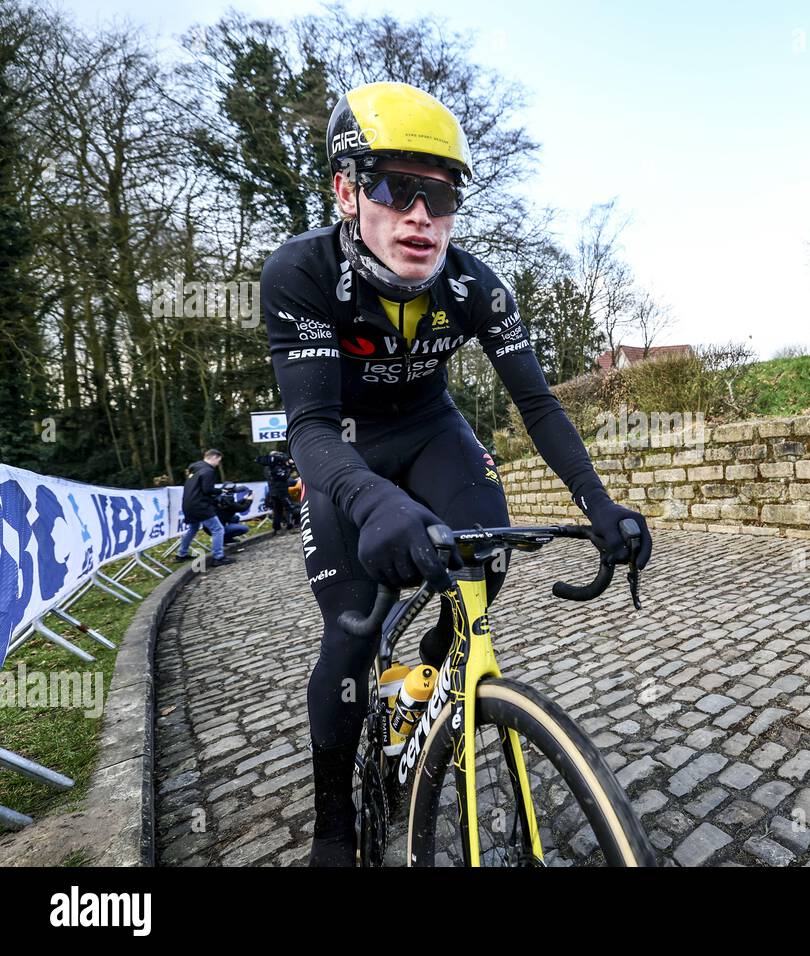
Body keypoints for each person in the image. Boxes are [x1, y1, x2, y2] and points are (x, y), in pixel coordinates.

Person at [262, 81, 652, 867]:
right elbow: (307, 425)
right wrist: (369, 502)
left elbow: (538, 407)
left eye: (439, 195)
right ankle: (335, 830)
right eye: (394, 186)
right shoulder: (300, 273)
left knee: (487, 552)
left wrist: (600, 502)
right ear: (346, 189)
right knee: (351, 633)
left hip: (431, 429)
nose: (419, 215)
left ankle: (433, 680)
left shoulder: (478, 286)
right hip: (343, 444)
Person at [174, 450, 237, 566]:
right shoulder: (208, 471)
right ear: (214, 457)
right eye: (218, 460)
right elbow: (207, 489)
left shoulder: (195, 470)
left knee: (193, 529)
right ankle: (218, 557)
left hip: (188, 504)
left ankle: (181, 554)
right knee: (218, 529)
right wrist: (221, 491)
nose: (218, 464)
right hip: (200, 505)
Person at [255, 450, 298, 533]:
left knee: (278, 510)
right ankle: (291, 526)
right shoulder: (275, 467)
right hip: (281, 491)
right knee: (290, 508)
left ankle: (277, 528)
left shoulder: (268, 467)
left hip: (273, 491)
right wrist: (289, 466)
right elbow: (284, 476)